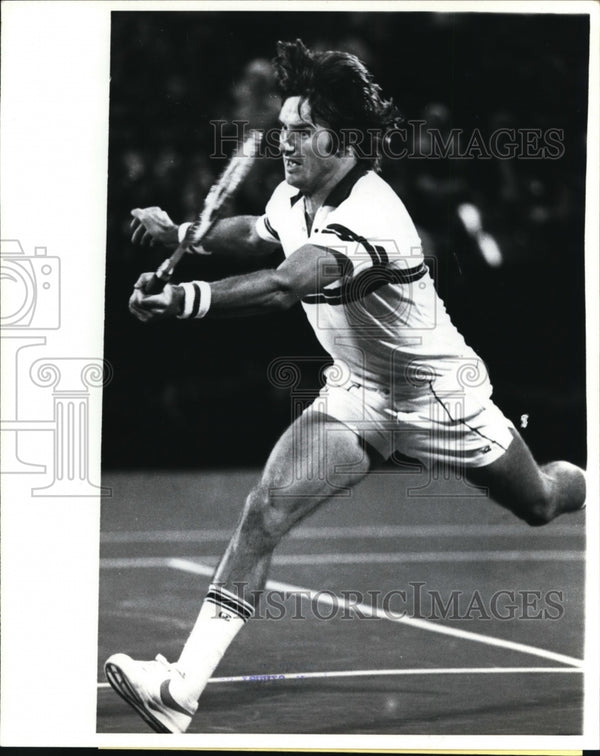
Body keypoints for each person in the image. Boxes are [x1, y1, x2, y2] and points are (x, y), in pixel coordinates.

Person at [104, 39, 586, 734]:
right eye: (285, 128)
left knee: (539, 501)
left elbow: (283, 284)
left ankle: (589, 482)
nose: (286, 142)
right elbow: (259, 233)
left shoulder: (372, 217)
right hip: (358, 392)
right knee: (265, 509)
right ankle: (180, 690)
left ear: (345, 139)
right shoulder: (294, 195)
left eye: (304, 131)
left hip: (439, 397)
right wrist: (186, 233)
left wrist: (185, 300)